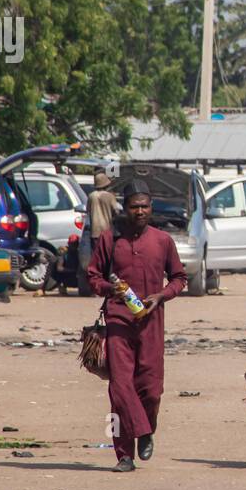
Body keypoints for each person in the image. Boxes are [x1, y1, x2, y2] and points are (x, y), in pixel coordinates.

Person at [87, 180, 188, 472]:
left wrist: (162, 296)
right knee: (120, 387)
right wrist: (111, 288)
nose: (140, 211)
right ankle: (124, 455)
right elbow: (92, 276)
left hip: (152, 321)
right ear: (126, 208)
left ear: (151, 208)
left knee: (151, 389)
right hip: (118, 320)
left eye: (144, 206)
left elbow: (180, 278)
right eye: (134, 206)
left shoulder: (162, 241)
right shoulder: (110, 239)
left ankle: (146, 429)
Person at [87, 171, 119, 240]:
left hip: (94, 232)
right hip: (107, 231)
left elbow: (88, 211)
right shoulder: (110, 196)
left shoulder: (91, 196)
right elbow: (116, 212)